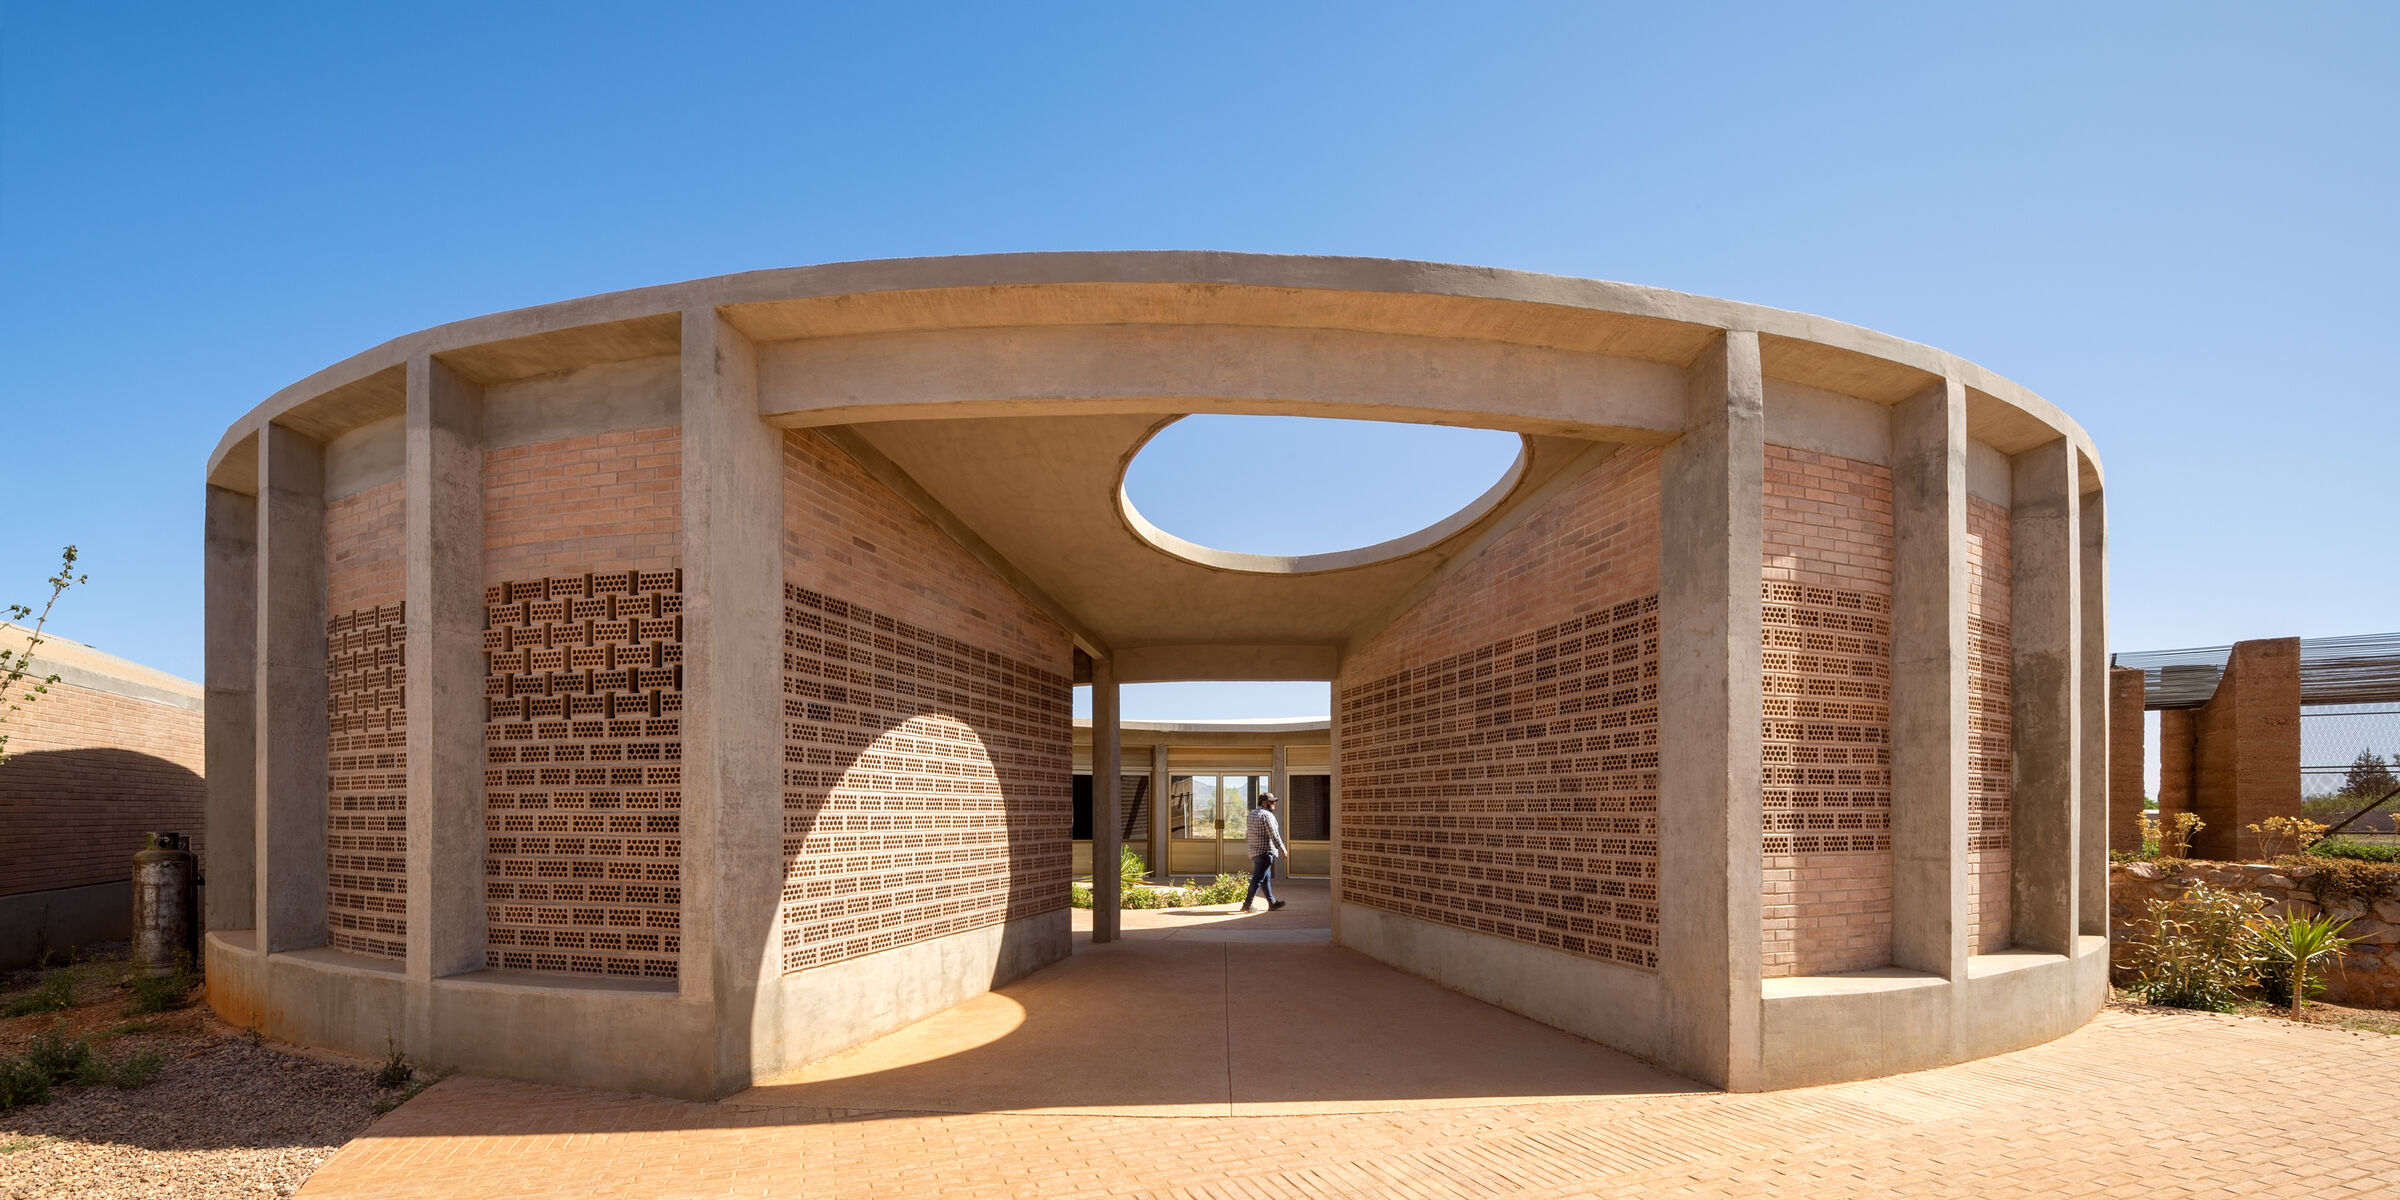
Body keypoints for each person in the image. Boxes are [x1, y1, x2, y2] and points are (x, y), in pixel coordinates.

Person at [1241, 791, 1291, 912]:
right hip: (1265, 853)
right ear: (1264, 803)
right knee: (1257, 879)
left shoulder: (1251, 814)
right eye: (1271, 802)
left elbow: (1248, 833)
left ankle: (1272, 902)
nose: (1274, 804)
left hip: (1254, 852)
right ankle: (1247, 905)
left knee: (1265, 878)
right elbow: (1274, 835)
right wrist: (1283, 848)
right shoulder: (1267, 815)